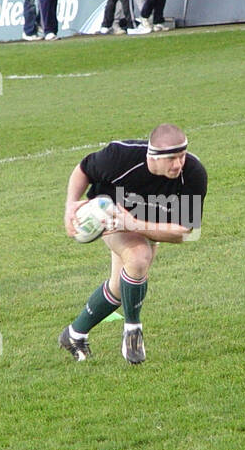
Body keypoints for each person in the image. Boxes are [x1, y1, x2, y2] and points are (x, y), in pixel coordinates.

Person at [60, 125, 207, 364]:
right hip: (111, 216)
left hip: (146, 223)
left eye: (181, 156)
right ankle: (132, 331)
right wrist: (70, 204)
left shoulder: (192, 173)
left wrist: (134, 224)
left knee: (121, 286)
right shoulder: (120, 157)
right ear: (153, 157)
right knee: (139, 257)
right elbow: (83, 169)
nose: (178, 164)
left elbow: (185, 233)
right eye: (171, 158)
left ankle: (74, 334)